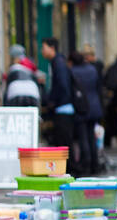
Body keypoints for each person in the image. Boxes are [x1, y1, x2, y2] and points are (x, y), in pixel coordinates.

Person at [41, 38, 76, 174]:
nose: (42, 51)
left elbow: (62, 86)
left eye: (44, 48)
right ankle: (68, 169)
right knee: (65, 142)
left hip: (63, 108)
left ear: (52, 48)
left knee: (64, 143)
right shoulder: (58, 63)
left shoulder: (58, 64)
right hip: (63, 107)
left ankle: (69, 170)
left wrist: (52, 102)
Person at [69, 51, 104, 176]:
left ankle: (86, 164)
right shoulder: (92, 69)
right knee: (91, 137)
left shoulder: (73, 71)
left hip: (81, 107)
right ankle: (95, 163)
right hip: (94, 106)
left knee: (83, 137)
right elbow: (98, 87)